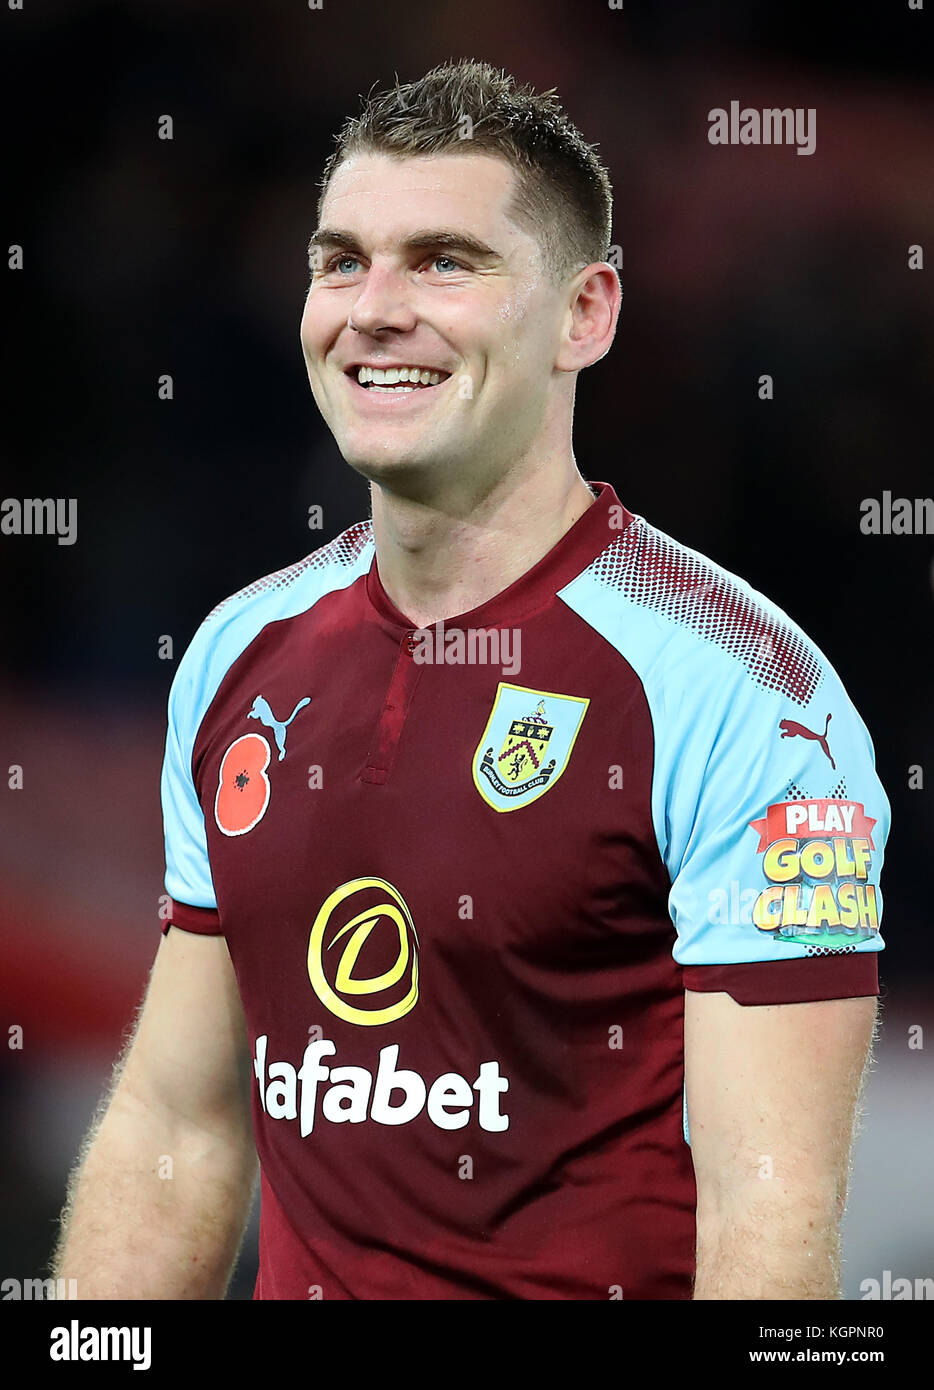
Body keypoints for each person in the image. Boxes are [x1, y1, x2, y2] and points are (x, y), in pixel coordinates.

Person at [52, 58, 889, 1301]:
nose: (374, 309)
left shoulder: (739, 689)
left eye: (445, 260)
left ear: (584, 315)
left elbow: (767, 1231)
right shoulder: (237, 652)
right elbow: (178, 1130)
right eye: (341, 261)